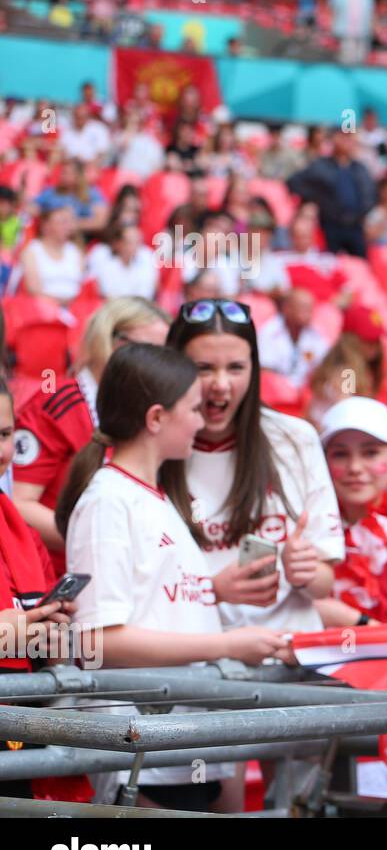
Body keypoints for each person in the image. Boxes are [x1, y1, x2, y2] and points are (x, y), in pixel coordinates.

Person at [57, 343, 288, 811]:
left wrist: (217, 593)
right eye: (194, 409)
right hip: (140, 755)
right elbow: (100, 641)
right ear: (157, 418)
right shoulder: (108, 502)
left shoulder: (156, 499)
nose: (202, 422)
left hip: (180, 748)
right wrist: (228, 645)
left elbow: (159, 606)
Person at [161, 299, 344, 634]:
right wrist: (210, 592)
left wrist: (303, 571)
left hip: (291, 658)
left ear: (255, 368)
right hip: (193, 661)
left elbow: (323, 583)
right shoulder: (153, 448)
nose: (220, 384)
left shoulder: (295, 439)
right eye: (203, 368)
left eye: (235, 368)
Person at [13, 298, 170, 570]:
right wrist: (99, 541)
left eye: (166, 355)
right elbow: (18, 504)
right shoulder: (56, 406)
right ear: (110, 341)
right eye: (149, 351)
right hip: (58, 577)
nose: (160, 367)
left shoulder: (145, 407)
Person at [0, 375, 78, 801]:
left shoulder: (21, 529)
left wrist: (54, 634)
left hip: (22, 750)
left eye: (5, 434)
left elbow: (57, 654)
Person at [316, 397, 387, 627]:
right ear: (321, 463)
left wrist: (356, 623)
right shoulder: (307, 529)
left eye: (370, 453)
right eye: (340, 454)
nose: (355, 468)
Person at [286, 133, 377, 257]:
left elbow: (370, 194)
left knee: (359, 265)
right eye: (344, 137)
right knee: (329, 263)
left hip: (356, 225)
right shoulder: (321, 166)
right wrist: (315, 199)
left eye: (350, 138)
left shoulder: (359, 169)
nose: (347, 142)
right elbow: (294, 182)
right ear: (335, 139)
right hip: (330, 224)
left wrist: (362, 213)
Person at [14, 206, 84, 305]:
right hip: (42, 308)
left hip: (75, 307)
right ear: (46, 226)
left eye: (69, 222)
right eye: (62, 222)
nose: (68, 227)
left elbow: (82, 285)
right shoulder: (31, 251)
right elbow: (33, 289)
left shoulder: (76, 252)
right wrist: (61, 302)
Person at [85, 222, 158, 299]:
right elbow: (108, 295)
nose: (134, 246)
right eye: (129, 242)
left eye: (137, 242)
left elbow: (146, 294)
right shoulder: (106, 267)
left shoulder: (146, 264)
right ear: (118, 243)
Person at [328, 0, 375, 64]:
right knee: (346, 59)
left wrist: (373, 28)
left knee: (361, 59)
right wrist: (331, 27)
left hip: (363, 32)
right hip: (344, 32)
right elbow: (330, 10)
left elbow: (371, 14)